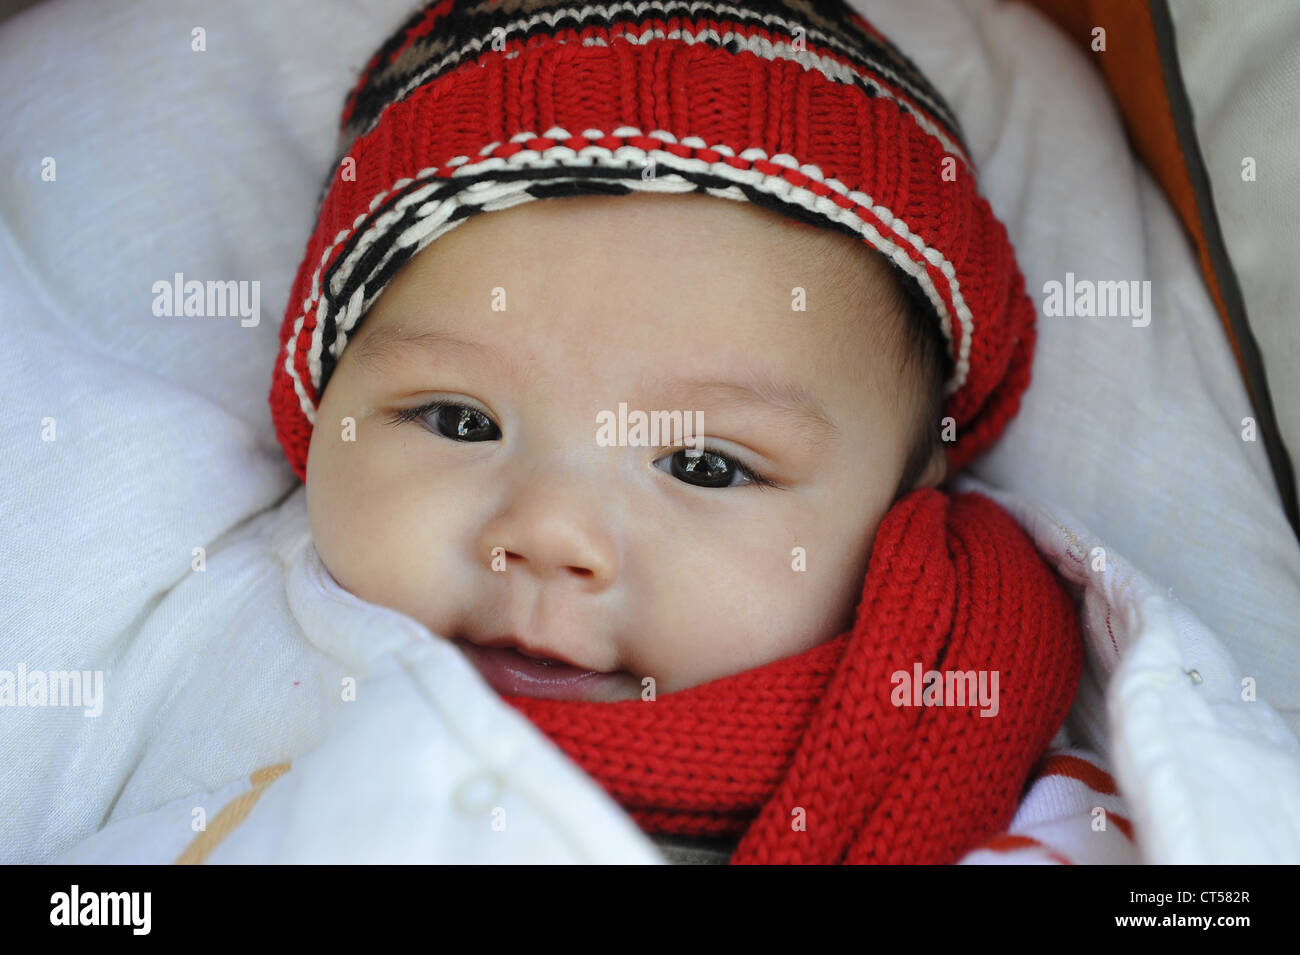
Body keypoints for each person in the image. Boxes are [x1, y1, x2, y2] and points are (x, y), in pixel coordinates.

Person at [269, 0, 1082, 864]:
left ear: (906, 496)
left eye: (702, 464)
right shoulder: (183, 626)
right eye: (460, 421)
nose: (549, 534)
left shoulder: (990, 741)